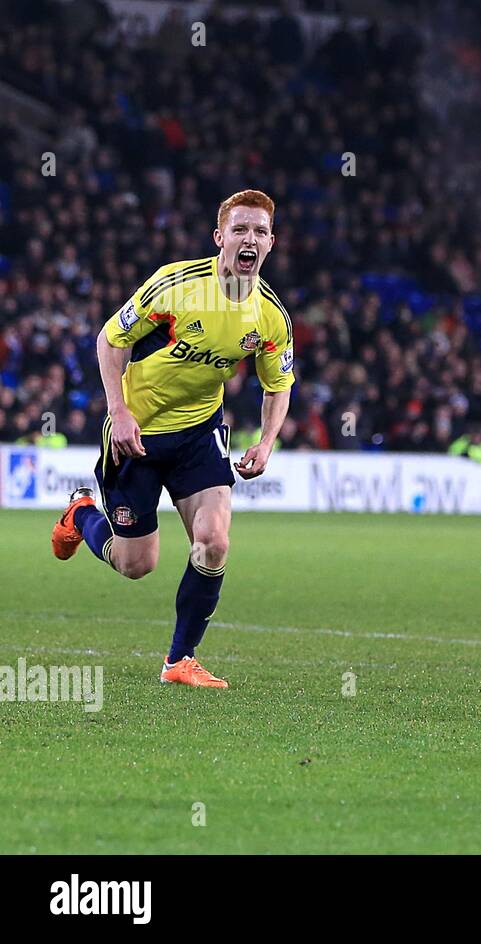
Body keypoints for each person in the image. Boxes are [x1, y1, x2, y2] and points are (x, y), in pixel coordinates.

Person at [51, 190, 295, 688]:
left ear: (271, 242)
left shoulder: (271, 317)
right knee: (135, 564)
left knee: (214, 543)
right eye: (240, 229)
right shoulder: (176, 285)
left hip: (200, 435)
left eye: (260, 231)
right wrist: (117, 411)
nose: (249, 239)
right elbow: (109, 339)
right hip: (136, 434)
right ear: (219, 237)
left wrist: (267, 442)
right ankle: (81, 514)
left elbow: (278, 385)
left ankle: (179, 660)